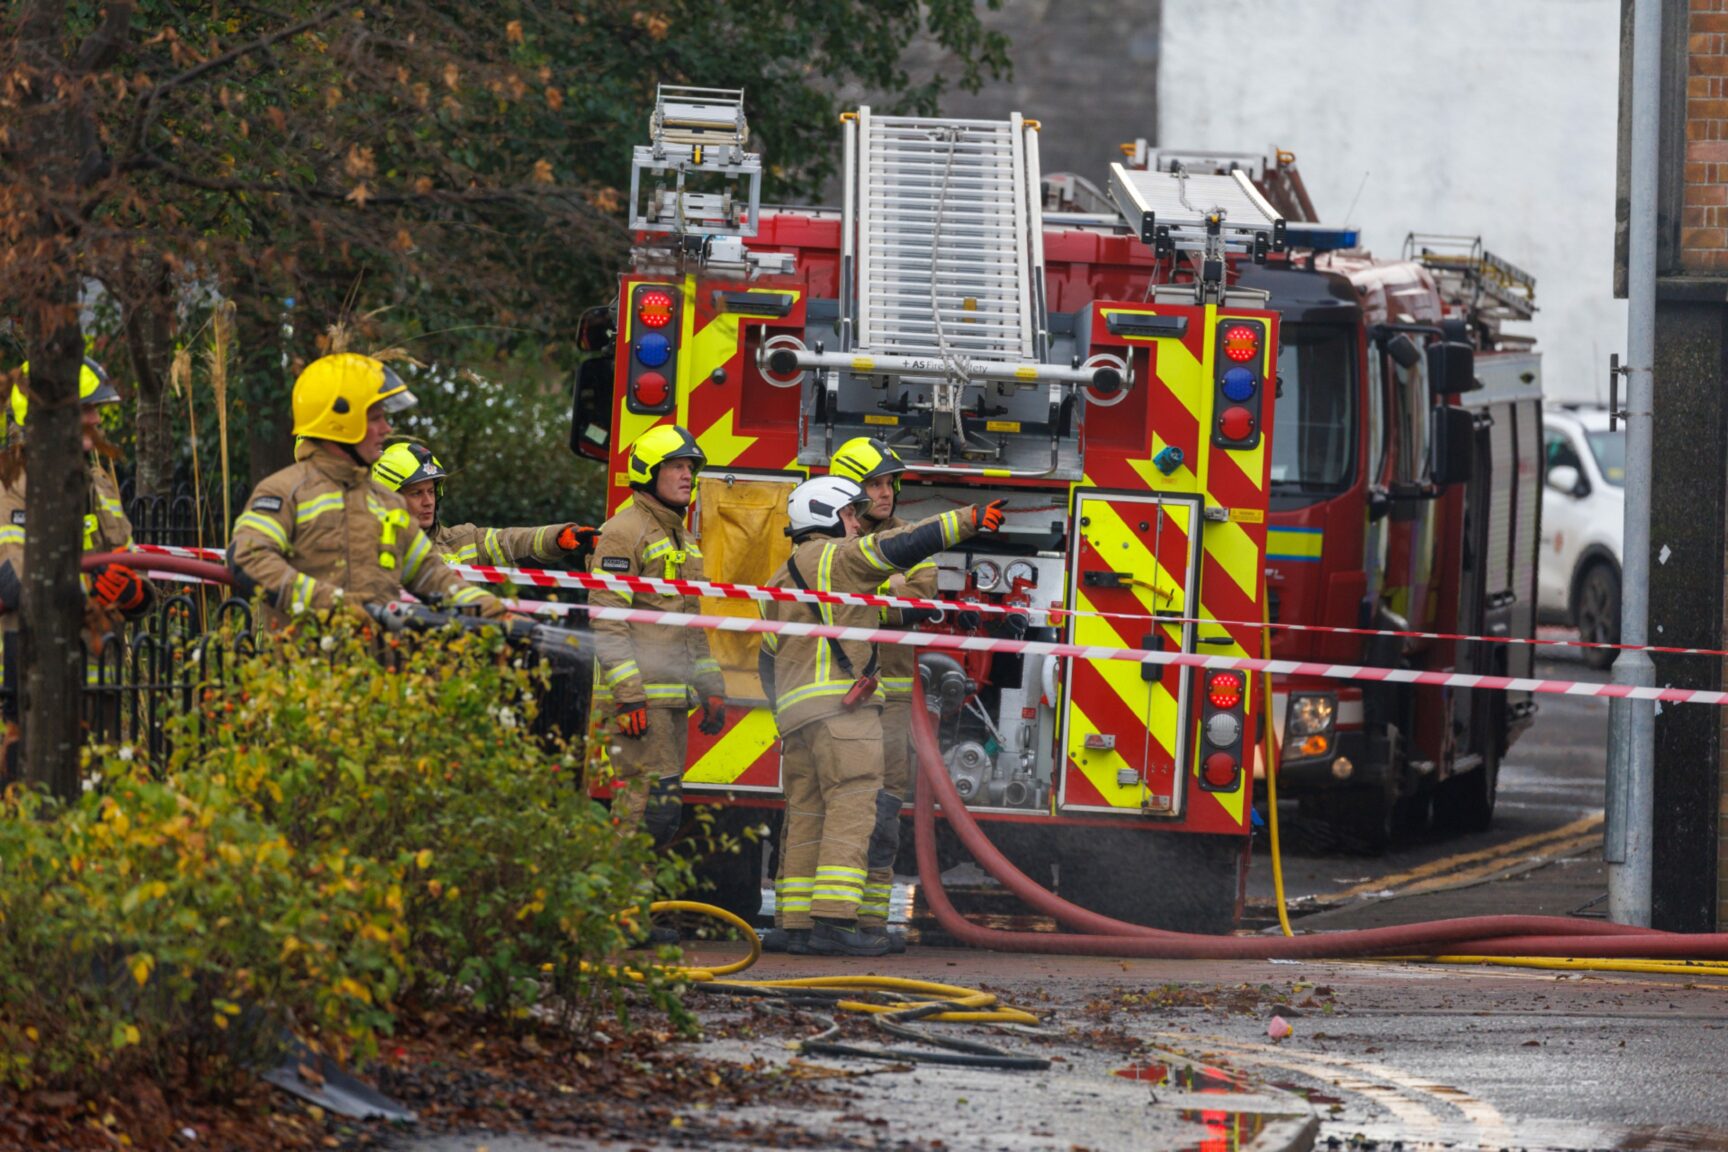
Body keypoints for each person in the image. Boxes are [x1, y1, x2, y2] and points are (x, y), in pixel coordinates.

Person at [759, 474, 1004, 957]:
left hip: (797, 719)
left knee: (807, 814)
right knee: (854, 806)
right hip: (844, 712)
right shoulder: (839, 559)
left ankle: (795, 924)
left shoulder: (779, 578)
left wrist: (787, 713)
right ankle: (836, 921)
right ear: (827, 518)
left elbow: (767, 660)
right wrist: (967, 520)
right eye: (850, 514)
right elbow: (902, 545)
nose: (857, 523)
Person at [229, 353, 505, 626]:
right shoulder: (284, 492)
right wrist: (335, 605)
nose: (387, 428)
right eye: (376, 418)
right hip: (308, 665)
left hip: (378, 665)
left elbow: (429, 574)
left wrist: (498, 613)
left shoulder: (386, 501)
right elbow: (249, 558)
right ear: (339, 424)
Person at [587, 424, 728, 842]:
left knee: (660, 819)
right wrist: (628, 696)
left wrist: (710, 686)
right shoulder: (623, 532)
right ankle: (618, 906)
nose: (688, 476)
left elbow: (690, 620)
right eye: (677, 467)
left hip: (667, 707)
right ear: (648, 472)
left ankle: (633, 905)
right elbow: (608, 619)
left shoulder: (680, 536)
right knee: (642, 817)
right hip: (640, 706)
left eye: (691, 467)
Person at [827, 438, 932, 944]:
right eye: (874, 483)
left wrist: (876, 594)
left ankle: (869, 923)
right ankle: (817, 921)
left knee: (884, 816)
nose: (886, 492)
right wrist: (885, 589)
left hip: (888, 704)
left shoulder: (911, 541)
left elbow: (921, 602)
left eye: (890, 482)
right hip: (833, 701)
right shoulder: (825, 543)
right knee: (831, 811)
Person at [0, 357, 152, 624]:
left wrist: (134, 593)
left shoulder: (100, 487)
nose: (96, 418)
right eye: (85, 408)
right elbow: (18, 585)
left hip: (99, 660)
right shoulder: (9, 488)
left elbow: (133, 569)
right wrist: (92, 587)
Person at [371, 441, 599, 567]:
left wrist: (558, 537)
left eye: (431, 491)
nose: (428, 501)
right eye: (416, 493)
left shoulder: (460, 542)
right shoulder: (369, 550)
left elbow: (507, 542)